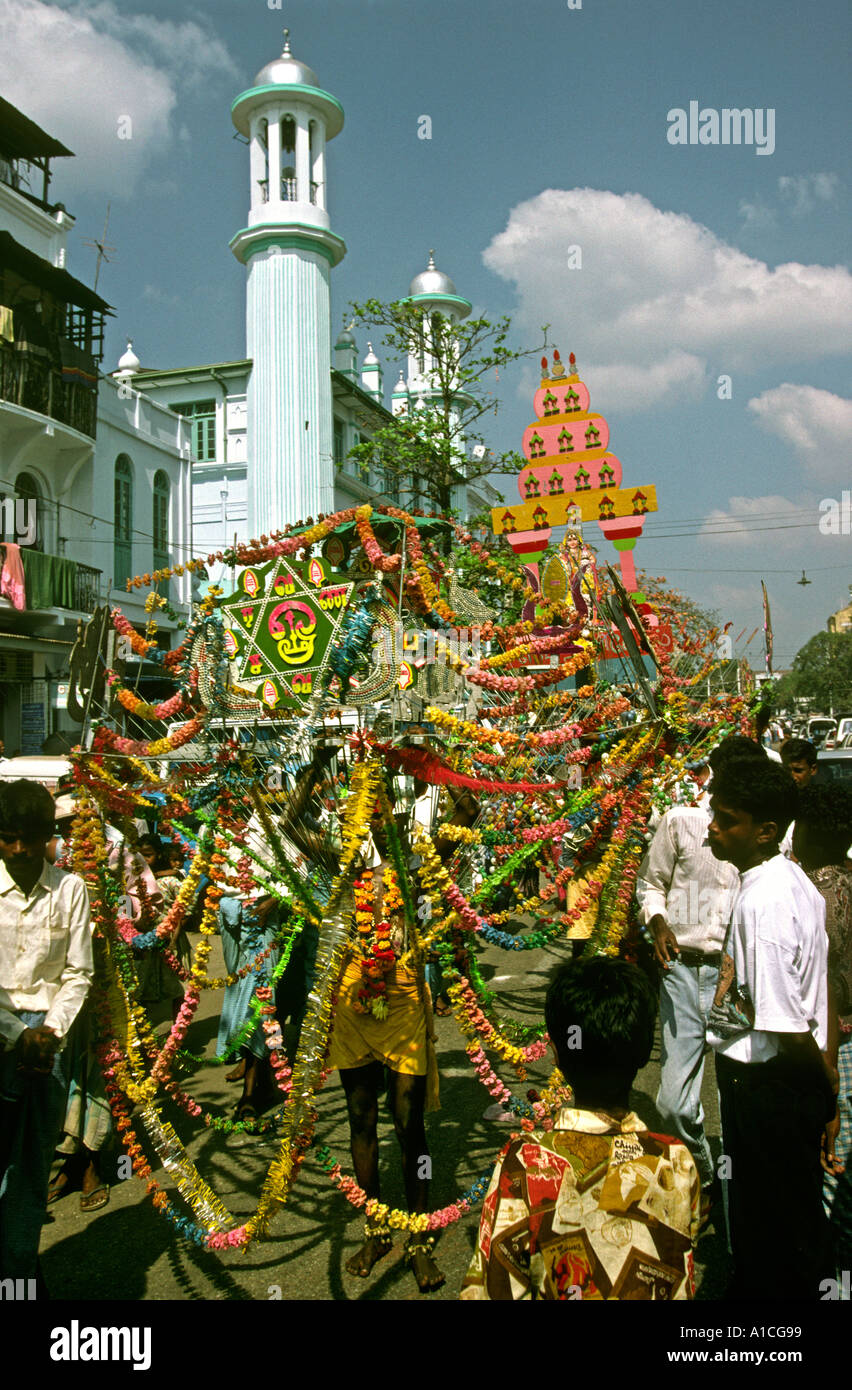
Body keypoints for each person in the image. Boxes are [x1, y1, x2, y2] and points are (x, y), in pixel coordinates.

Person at [461, 957, 701, 1300]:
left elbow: (492, 1287)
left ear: (556, 1054)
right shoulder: (677, 1160)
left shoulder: (526, 1162)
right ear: (647, 1050)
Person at [706, 757, 836, 1299]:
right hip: (780, 1080)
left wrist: (826, 1091)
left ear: (764, 830)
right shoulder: (785, 878)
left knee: (770, 1225)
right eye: (714, 813)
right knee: (790, 1211)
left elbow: (786, 1025)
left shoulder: (764, 900)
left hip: (769, 1084)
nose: (712, 826)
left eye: (726, 818)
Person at [637, 736, 767, 1217]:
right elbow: (650, 883)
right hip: (684, 973)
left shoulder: (770, 836)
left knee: (740, 1099)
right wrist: (658, 923)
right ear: (712, 776)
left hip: (744, 979)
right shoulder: (681, 822)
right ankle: (708, 1174)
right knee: (672, 1103)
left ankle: (739, 1204)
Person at [0, 780, 93, 1277]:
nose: (18, 850)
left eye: (28, 839)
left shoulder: (69, 889)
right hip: (5, 1032)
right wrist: (18, 1034)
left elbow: (78, 973)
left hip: (48, 1041)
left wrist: (48, 1032)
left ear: (47, 838)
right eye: (8, 837)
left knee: (31, 1170)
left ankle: (18, 1275)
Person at [792, 784, 852, 1266]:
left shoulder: (811, 894)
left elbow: (821, 989)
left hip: (827, 1049)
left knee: (831, 1168)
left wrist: (826, 1072)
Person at [779, 738, 817, 857]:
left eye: (798, 771)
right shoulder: (777, 802)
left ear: (813, 769)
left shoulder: (822, 804)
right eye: (787, 770)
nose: (792, 777)